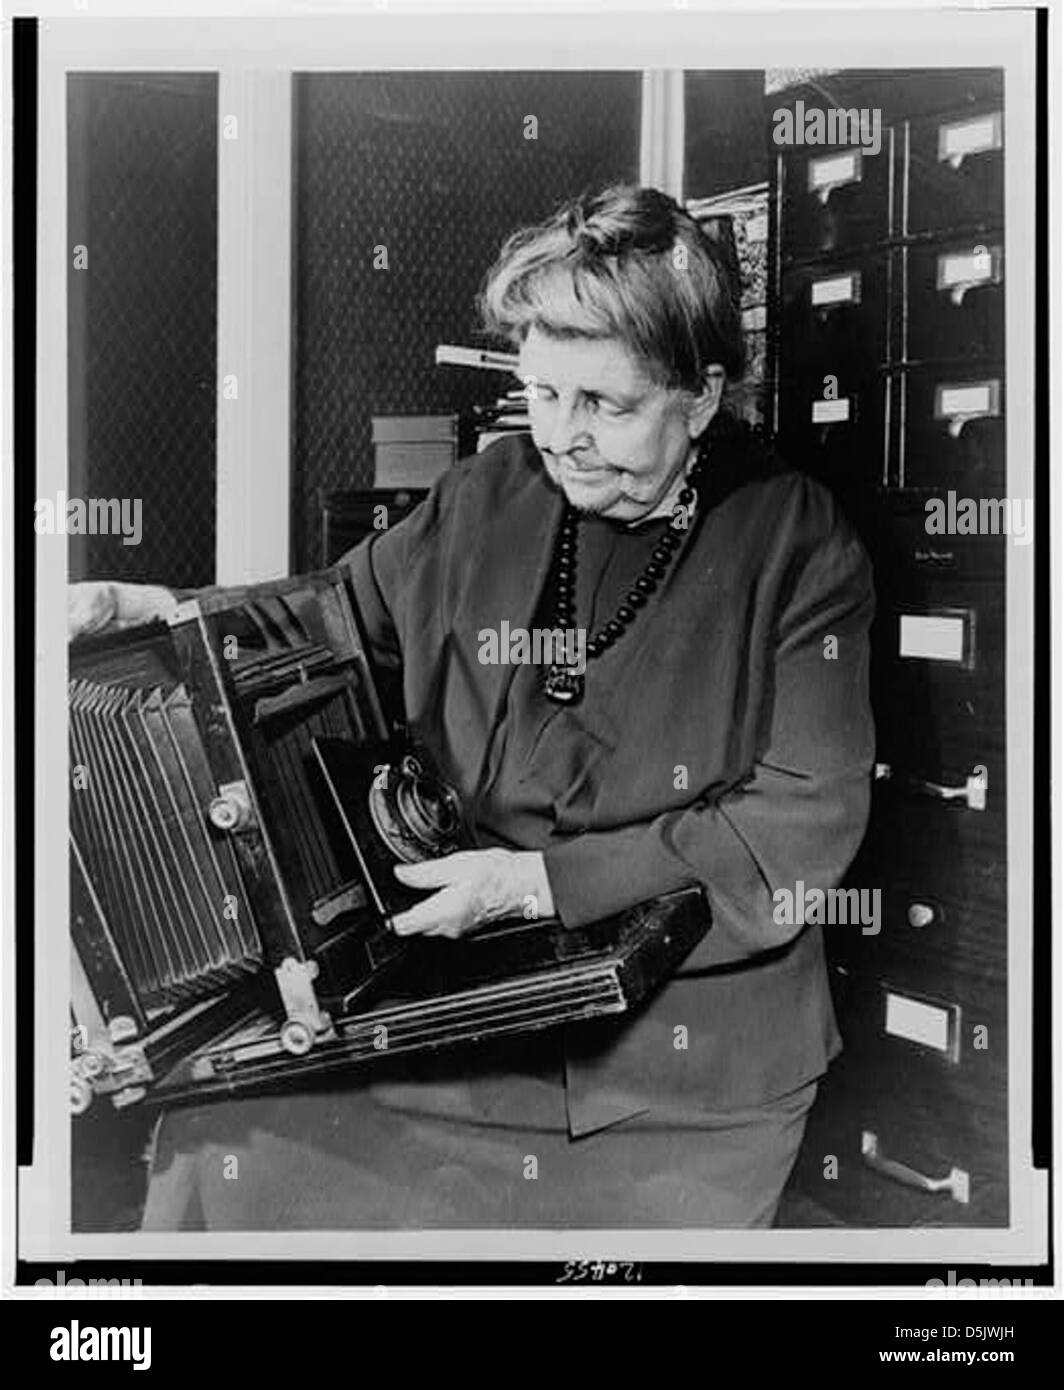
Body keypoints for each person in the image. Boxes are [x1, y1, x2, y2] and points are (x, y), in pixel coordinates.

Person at [69, 186, 875, 1229]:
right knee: (211, 1150)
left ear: (701, 392)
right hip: (470, 1025)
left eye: (606, 404)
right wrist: (166, 613)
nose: (563, 439)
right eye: (541, 394)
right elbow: (333, 616)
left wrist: (537, 884)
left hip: (679, 1078)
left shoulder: (799, 546)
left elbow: (796, 832)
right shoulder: (489, 491)